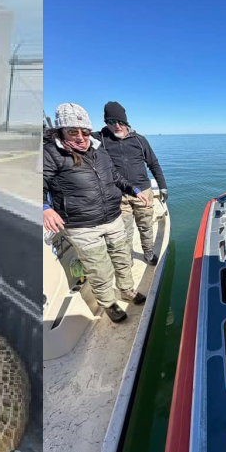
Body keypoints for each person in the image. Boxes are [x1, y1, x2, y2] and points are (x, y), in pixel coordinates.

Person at [43, 102, 151, 323]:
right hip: (82, 226)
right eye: (73, 131)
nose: (81, 137)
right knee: (99, 268)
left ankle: (127, 290)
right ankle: (109, 303)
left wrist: (133, 189)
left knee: (123, 259)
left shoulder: (98, 149)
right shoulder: (51, 153)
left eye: (84, 131)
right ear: (61, 131)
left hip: (113, 218)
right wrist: (44, 208)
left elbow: (115, 177)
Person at [98, 101, 168, 265]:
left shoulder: (139, 140)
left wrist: (163, 186)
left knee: (146, 225)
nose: (116, 126)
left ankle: (148, 252)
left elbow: (154, 164)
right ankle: (127, 256)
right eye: (111, 122)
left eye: (120, 122)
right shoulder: (100, 140)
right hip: (118, 194)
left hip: (143, 192)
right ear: (106, 123)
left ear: (126, 122)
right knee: (124, 230)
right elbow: (74, 138)